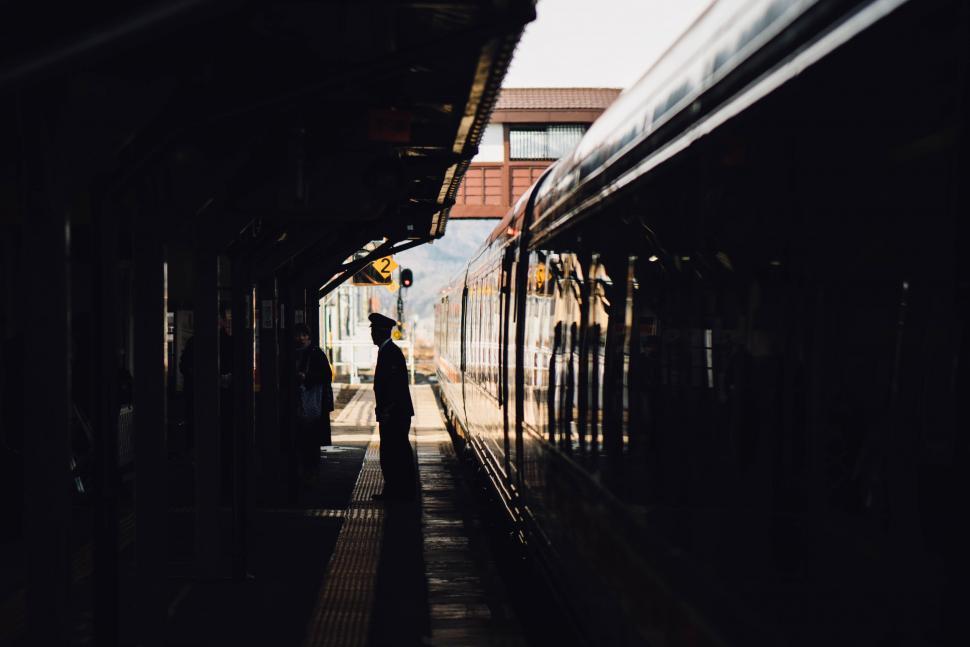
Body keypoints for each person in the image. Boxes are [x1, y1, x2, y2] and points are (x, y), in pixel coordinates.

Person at [368, 312, 415, 501]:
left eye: (373, 332)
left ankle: (399, 491)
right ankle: (396, 489)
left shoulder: (390, 353)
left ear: (379, 333)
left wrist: (386, 410)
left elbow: (394, 387)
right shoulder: (388, 351)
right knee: (394, 451)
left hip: (395, 413)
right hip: (393, 412)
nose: (371, 335)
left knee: (394, 453)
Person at [294, 323, 333, 484]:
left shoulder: (316, 353)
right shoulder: (294, 353)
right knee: (304, 438)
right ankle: (306, 471)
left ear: (309, 337)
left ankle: (311, 472)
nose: (302, 338)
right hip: (300, 402)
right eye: (299, 335)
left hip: (313, 402)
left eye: (305, 335)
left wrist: (306, 377)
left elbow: (326, 375)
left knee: (311, 438)